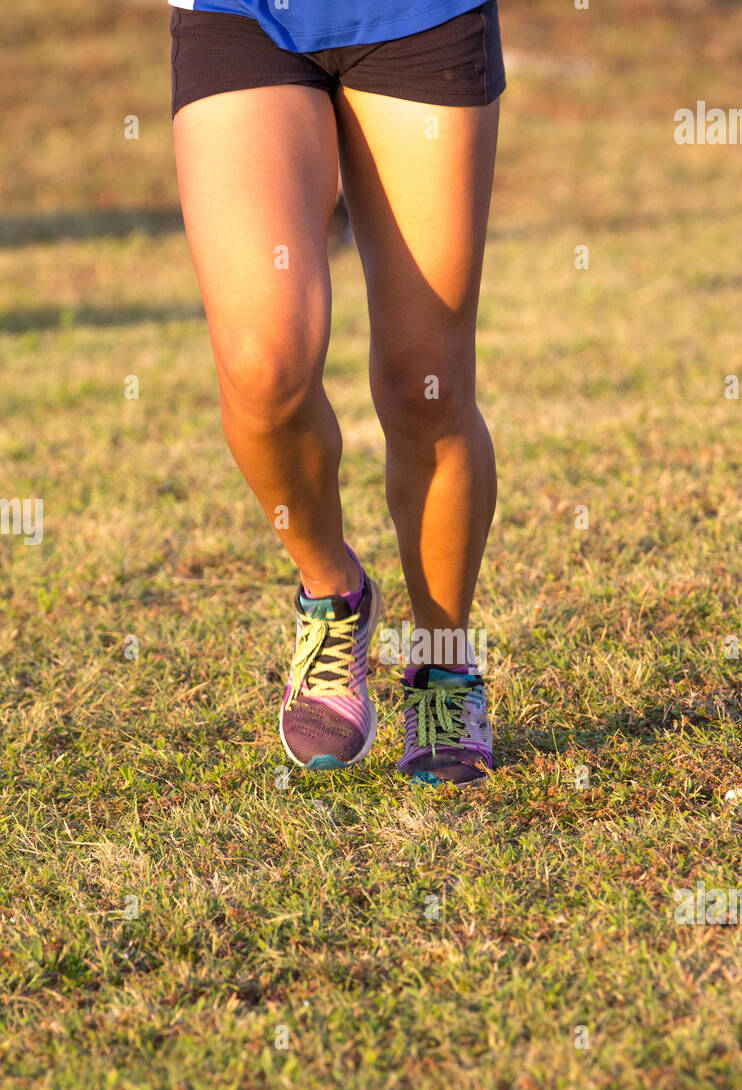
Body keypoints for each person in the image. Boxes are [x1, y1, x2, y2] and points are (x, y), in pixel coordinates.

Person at [169, 0, 505, 784]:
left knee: (427, 382)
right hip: (241, 16)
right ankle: (333, 595)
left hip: (420, 15)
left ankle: (446, 667)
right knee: (262, 363)